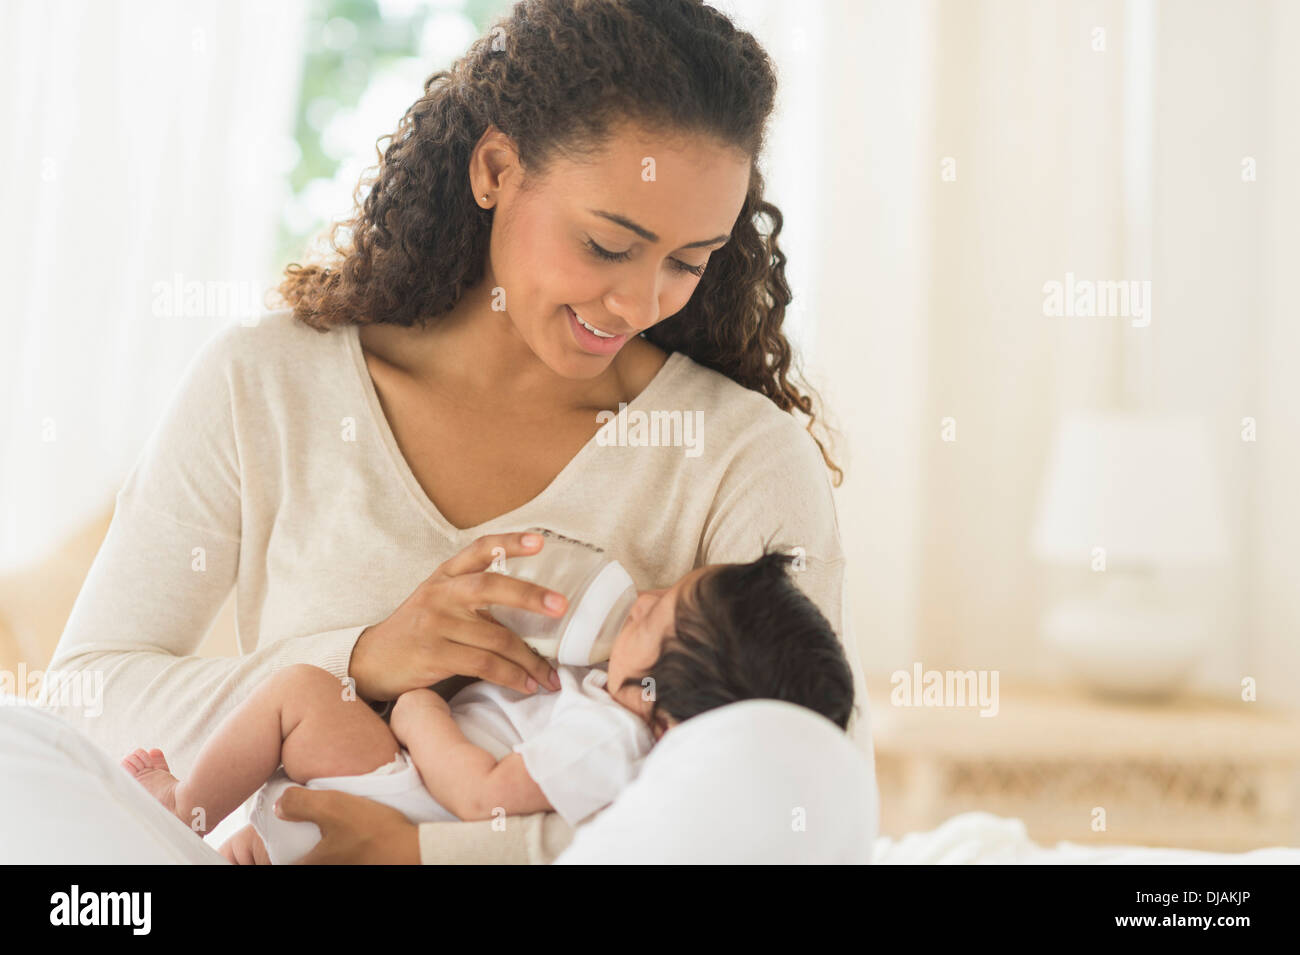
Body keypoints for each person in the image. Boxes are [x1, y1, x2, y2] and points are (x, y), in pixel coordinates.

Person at [32, 0, 870, 864]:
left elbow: (802, 806)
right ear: (497, 168)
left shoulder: (742, 461)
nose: (642, 302)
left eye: (690, 261)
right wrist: (363, 657)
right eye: (607, 244)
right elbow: (77, 704)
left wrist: (437, 855)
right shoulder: (266, 385)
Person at [120, 553, 856, 864]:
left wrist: (415, 712)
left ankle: (178, 811)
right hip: (394, 791)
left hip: (409, 794)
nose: (647, 598)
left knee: (300, 692)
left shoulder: (609, 740)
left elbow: (483, 796)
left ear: (673, 696)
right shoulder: (609, 703)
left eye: (661, 613)